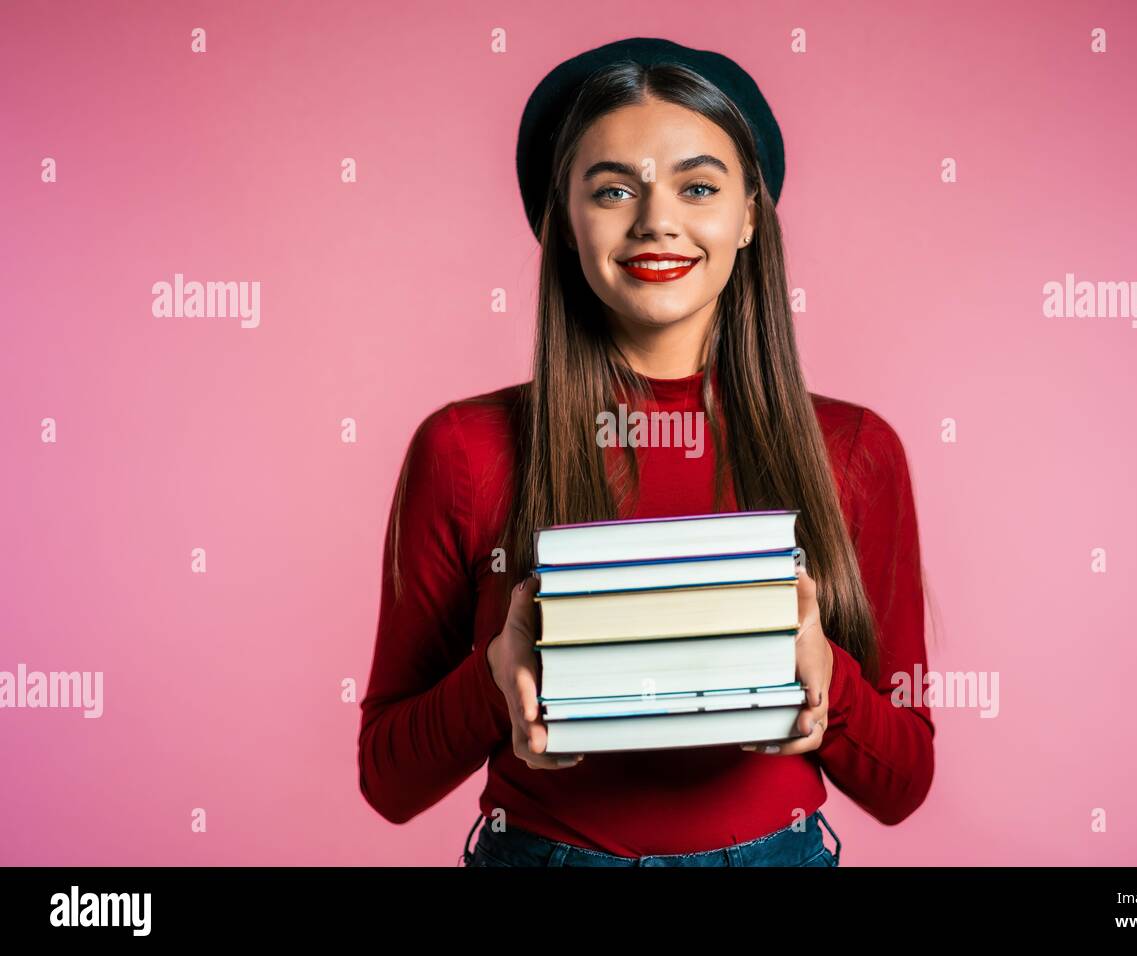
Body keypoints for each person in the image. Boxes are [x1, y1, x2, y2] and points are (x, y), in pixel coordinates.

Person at [357, 37, 935, 867]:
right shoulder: (463, 448)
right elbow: (389, 779)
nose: (656, 219)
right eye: (613, 189)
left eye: (698, 186)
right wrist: (495, 676)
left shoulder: (856, 451)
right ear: (563, 224)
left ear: (747, 217)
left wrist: (828, 685)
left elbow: (904, 782)